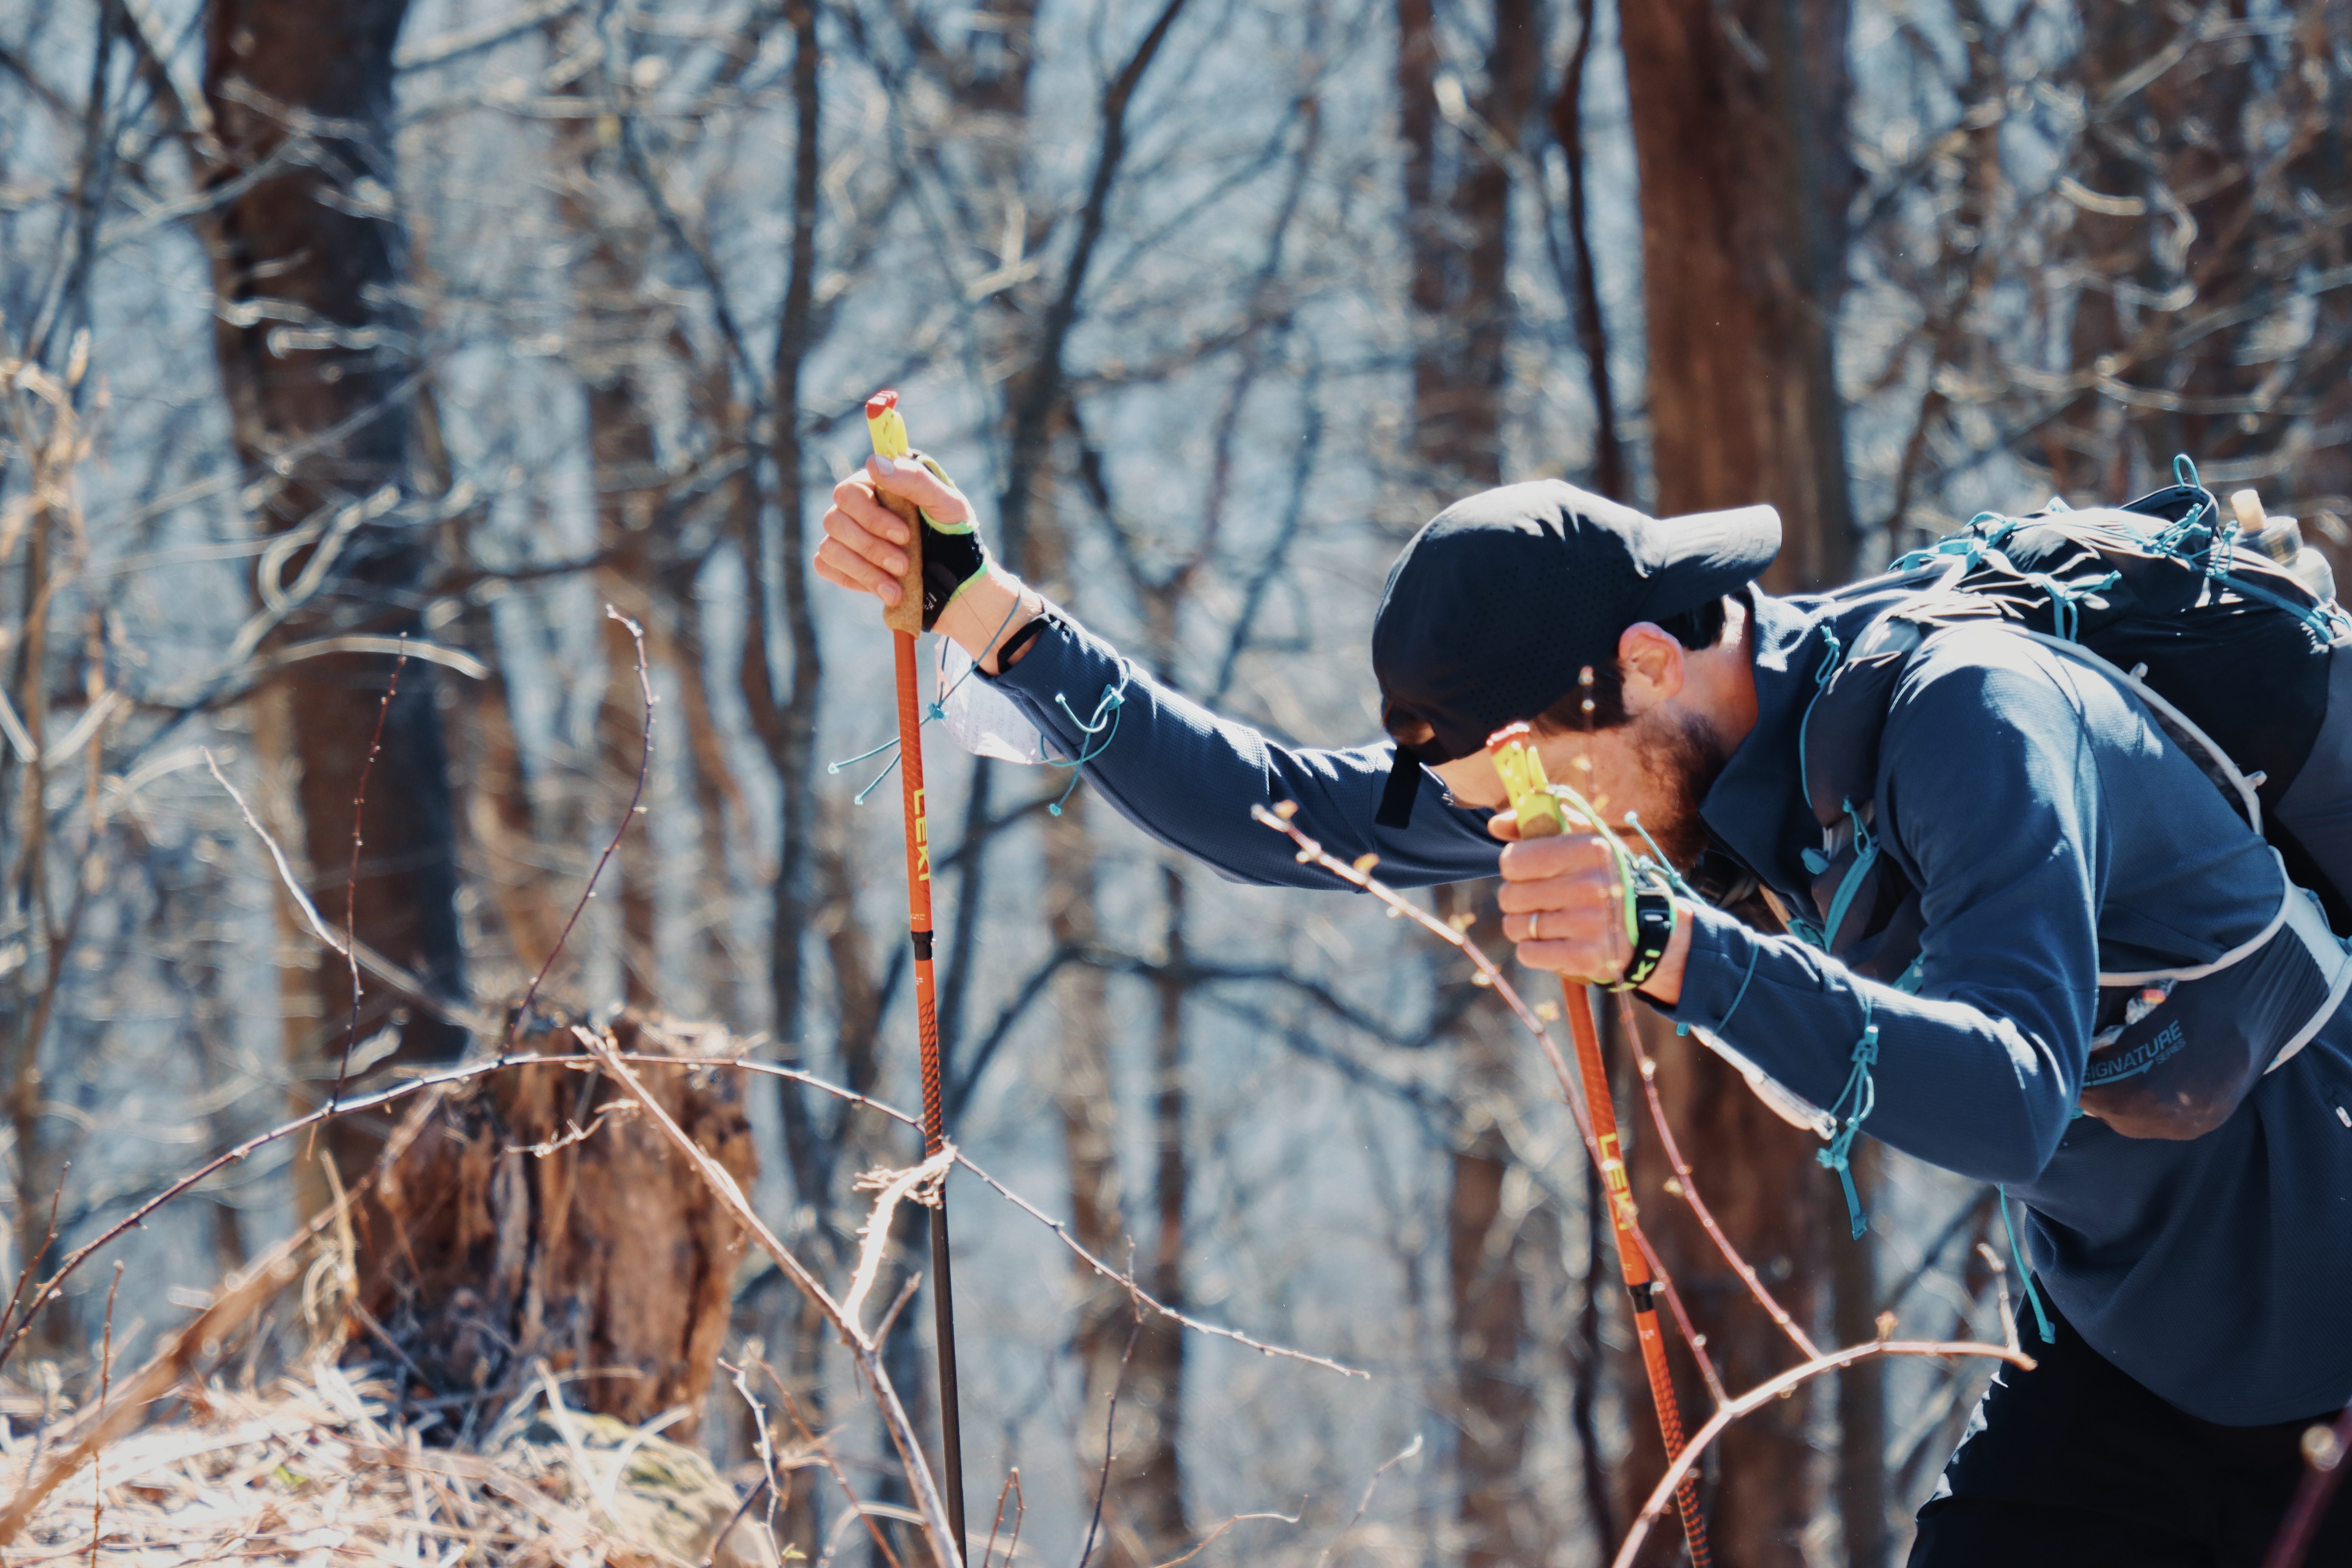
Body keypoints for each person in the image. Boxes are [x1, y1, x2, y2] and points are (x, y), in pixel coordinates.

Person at [816, 453, 2352, 1566]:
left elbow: (2014, 1091)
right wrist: (994, 619)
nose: (1531, 830)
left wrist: (1685, 953)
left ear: (1642, 663)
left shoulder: (1971, 717)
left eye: (1539, 786)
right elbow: (1286, 815)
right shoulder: (1662, 750)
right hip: (2134, 1371)